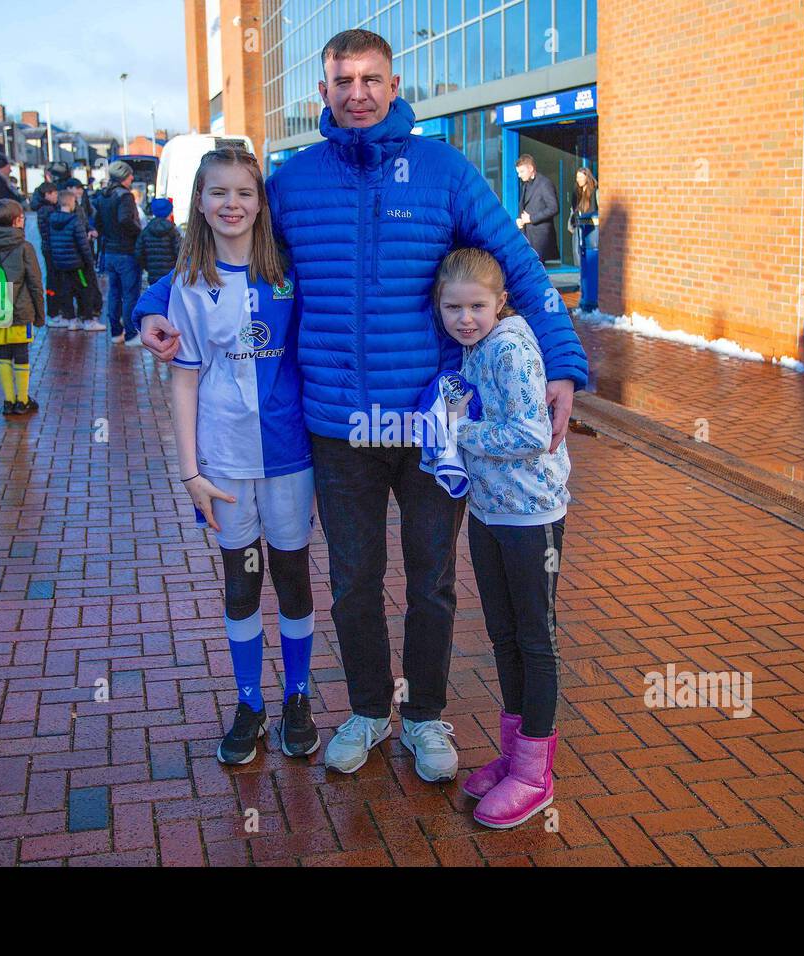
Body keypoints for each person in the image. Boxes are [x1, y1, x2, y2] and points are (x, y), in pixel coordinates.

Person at [138, 29, 588, 783]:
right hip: (336, 426)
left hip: (428, 426)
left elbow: (515, 260)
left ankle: (425, 716)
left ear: (393, 83)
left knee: (431, 581)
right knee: (351, 582)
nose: (357, 93)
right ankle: (371, 709)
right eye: (342, 80)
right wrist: (156, 301)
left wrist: (564, 361)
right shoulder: (294, 180)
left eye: (371, 79)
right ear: (323, 91)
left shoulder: (442, 171)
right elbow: (227, 244)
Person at [165, 147, 318, 765]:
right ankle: (250, 702)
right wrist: (190, 472)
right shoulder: (189, 283)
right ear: (199, 203)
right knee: (241, 583)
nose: (232, 204)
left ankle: (299, 697)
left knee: (294, 578)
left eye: (244, 193)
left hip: (290, 456)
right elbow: (182, 378)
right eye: (218, 193)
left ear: (262, 201)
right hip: (223, 463)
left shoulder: (288, 270)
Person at [435, 247, 569, 828]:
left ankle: (536, 772)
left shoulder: (511, 347)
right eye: (454, 307)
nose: (465, 318)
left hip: (531, 515)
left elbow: (532, 431)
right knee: (503, 636)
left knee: (534, 640)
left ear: (500, 303)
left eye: (477, 306)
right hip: (491, 514)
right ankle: (515, 755)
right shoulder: (474, 346)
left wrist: (458, 431)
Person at [0, 198, 45, 415]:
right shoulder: (25, 248)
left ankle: (8, 400)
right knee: (22, 352)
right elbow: (35, 283)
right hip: (21, 310)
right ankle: (23, 399)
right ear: (18, 221)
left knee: (3, 353)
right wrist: (40, 314)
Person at [95, 160, 143, 345]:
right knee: (130, 293)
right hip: (126, 251)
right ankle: (131, 334)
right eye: (130, 175)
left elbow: (98, 222)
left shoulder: (103, 196)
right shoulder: (125, 196)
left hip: (110, 251)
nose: (132, 178)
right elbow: (125, 220)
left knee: (114, 293)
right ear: (124, 176)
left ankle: (116, 332)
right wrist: (139, 231)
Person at [49, 188, 103, 332]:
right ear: (71, 202)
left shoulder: (53, 220)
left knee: (66, 291)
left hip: (61, 263)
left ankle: (71, 319)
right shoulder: (74, 221)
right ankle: (87, 319)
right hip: (77, 263)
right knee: (85, 290)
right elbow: (83, 244)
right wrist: (89, 261)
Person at [515, 154, 559, 264]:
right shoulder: (525, 185)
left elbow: (554, 208)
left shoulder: (544, 183)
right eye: (518, 172)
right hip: (527, 234)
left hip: (540, 238)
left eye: (521, 171)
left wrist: (531, 219)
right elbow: (525, 206)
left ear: (530, 168)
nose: (519, 175)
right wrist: (520, 220)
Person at [33, 181, 65, 327]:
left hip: (49, 248)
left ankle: (54, 311)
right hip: (52, 249)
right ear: (47, 194)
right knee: (54, 280)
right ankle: (54, 312)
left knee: (54, 279)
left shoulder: (44, 208)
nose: (57, 196)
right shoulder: (48, 210)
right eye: (55, 193)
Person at [569, 166, 600, 311]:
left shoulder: (595, 192)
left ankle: (590, 298)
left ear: (587, 177)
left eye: (581, 177)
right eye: (577, 178)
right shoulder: (577, 192)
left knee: (591, 264)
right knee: (580, 259)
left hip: (592, 233)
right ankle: (584, 294)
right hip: (581, 230)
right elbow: (574, 211)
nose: (579, 180)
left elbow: (597, 213)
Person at [135, 197, 180, 286]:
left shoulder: (146, 231)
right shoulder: (173, 231)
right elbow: (180, 252)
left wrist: (148, 266)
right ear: (169, 212)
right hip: (171, 274)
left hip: (153, 274)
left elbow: (138, 252)